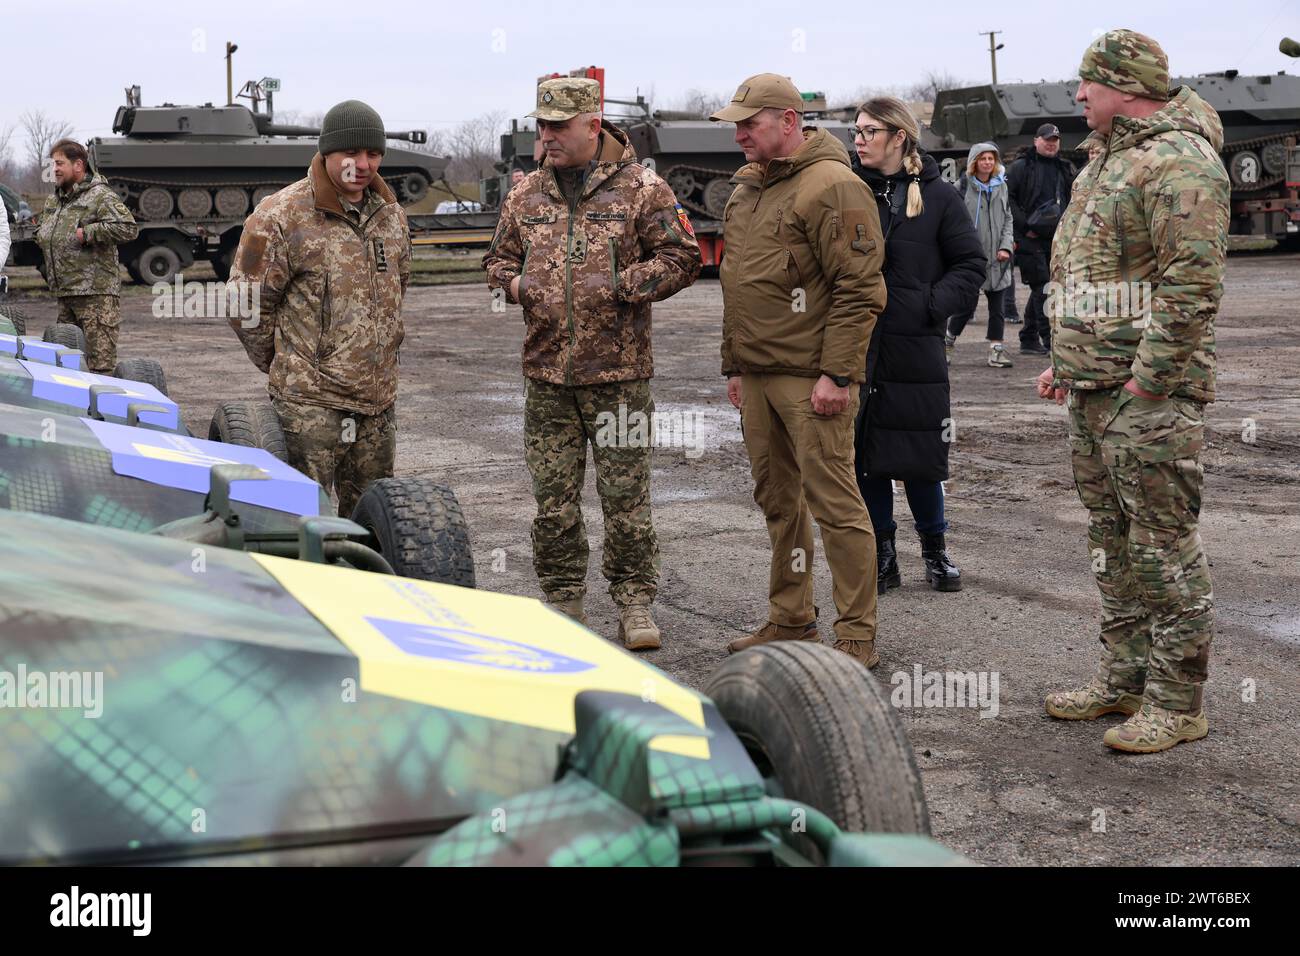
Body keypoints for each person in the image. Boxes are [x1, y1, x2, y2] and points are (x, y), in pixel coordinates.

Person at [1038, 29, 1229, 754]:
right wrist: (1070, 360)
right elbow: (1095, 279)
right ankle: (1124, 679)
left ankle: (1179, 702)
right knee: (1111, 542)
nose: (1079, 95)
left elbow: (1191, 285)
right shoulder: (1105, 163)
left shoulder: (1180, 161)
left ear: (1125, 85)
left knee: (1161, 545)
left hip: (1149, 397)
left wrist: (1150, 380)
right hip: (1094, 387)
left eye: (1088, 83)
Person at [483, 77, 700, 651]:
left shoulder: (642, 190)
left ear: (592, 126)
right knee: (553, 501)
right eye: (541, 126)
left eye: (558, 126)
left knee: (626, 500)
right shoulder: (526, 194)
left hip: (619, 377)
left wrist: (624, 284)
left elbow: (683, 257)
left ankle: (634, 603)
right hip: (547, 375)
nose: (547, 136)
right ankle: (563, 601)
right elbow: (496, 260)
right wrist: (516, 284)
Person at [712, 73, 887, 668]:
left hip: (812, 377)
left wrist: (838, 375)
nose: (739, 134)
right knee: (779, 503)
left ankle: (857, 636)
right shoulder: (748, 189)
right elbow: (736, 283)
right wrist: (735, 364)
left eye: (749, 123)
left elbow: (859, 289)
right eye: (736, 124)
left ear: (788, 121)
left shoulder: (833, 185)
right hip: (758, 376)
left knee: (835, 504)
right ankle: (792, 621)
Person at [229, 99, 411, 520]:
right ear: (326, 151)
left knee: (373, 524)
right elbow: (244, 304)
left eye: (372, 153)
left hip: (377, 407)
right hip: (309, 410)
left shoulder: (391, 216)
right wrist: (287, 362)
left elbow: (398, 288)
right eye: (350, 152)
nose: (362, 164)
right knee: (302, 524)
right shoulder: (280, 215)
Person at [851, 97, 985, 594]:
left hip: (917, 349)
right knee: (866, 454)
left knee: (922, 453)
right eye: (856, 131)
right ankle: (882, 555)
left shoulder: (939, 197)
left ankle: (935, 550)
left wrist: (929, 305)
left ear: (898, 136)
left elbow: (971, 265)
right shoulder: (848, 190)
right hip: (858, 346)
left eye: (868, 131)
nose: (859, 140)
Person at [34, 139, 138, 373]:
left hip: (95, 296)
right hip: (65, 294)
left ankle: (103, 410)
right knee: (65, 367)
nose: (55, 169)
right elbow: (44, 229)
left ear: (78, 165)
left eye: (59, 163)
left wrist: (90, 232)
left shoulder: (100, 195)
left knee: (99, 369)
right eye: (53, 164)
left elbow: (128, 227)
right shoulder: (56, 200)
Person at [1007, 123, 1076, 356]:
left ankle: (1028, 337)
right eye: (1047, 139)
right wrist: (1025, 227)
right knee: (1044, 288)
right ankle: (1050, 341)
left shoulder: (1064, 168)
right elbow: (1008, 199)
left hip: (1055, 238)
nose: (1051, 143)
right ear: (1036, 140)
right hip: (1028, 238)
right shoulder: (1020, 167)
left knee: (1043, 287)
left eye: (1055, 140)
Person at [947, 142, 1015, 368]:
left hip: (998, 258)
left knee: (998, 306)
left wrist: (1006, 246)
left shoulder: (1001, 186)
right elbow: (952, 222)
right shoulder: (962, 187)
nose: (987, 163)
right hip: (971, 257)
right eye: (983, 158)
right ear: (974, 161)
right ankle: (948, 342)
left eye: (991, 159)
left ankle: (996, 350)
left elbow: (1007, 218)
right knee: (966, 305)